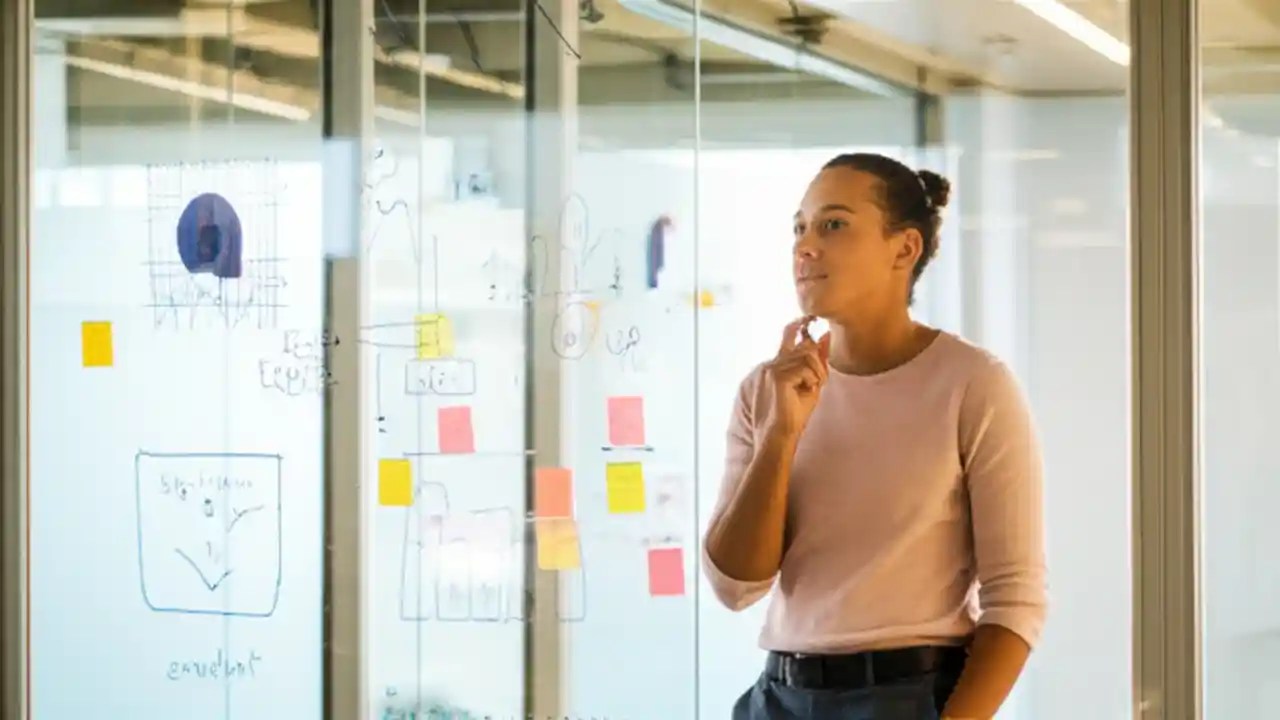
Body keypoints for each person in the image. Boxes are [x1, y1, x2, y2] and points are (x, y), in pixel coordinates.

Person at [703, 153, 1047, 720]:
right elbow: (736, 587)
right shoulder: (766, 390)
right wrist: (779, 435)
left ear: (904, 249)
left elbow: (1017, 600)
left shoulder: (973, 384)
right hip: (777, 697)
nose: (805, 245)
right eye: (800, 227)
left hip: (909, 696)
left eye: (833, 224)